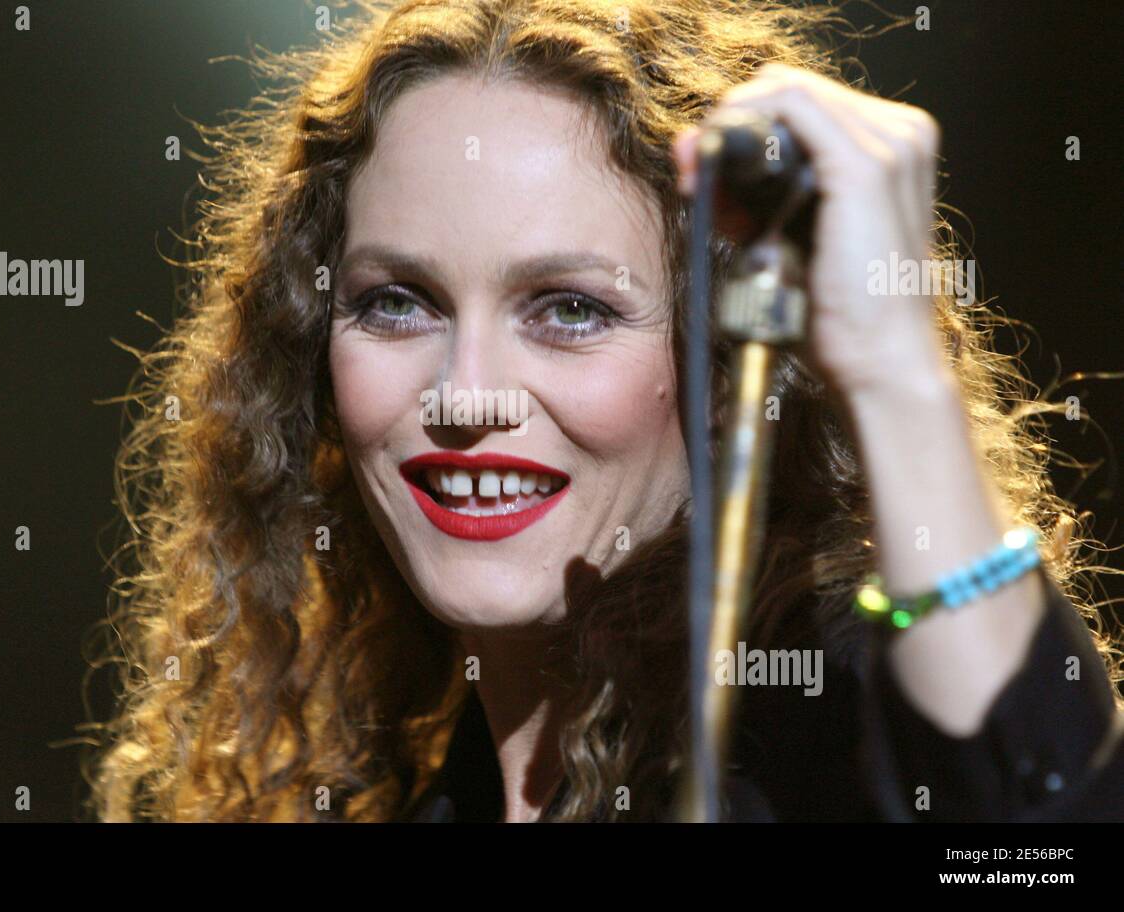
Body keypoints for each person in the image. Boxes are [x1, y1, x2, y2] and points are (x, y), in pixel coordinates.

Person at [84, 0, 1123, 822]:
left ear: (724, 366)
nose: (464, 398)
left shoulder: (834, 733)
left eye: (570, 309)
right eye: (395, 303)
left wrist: (895, 376)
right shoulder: (397, 793)